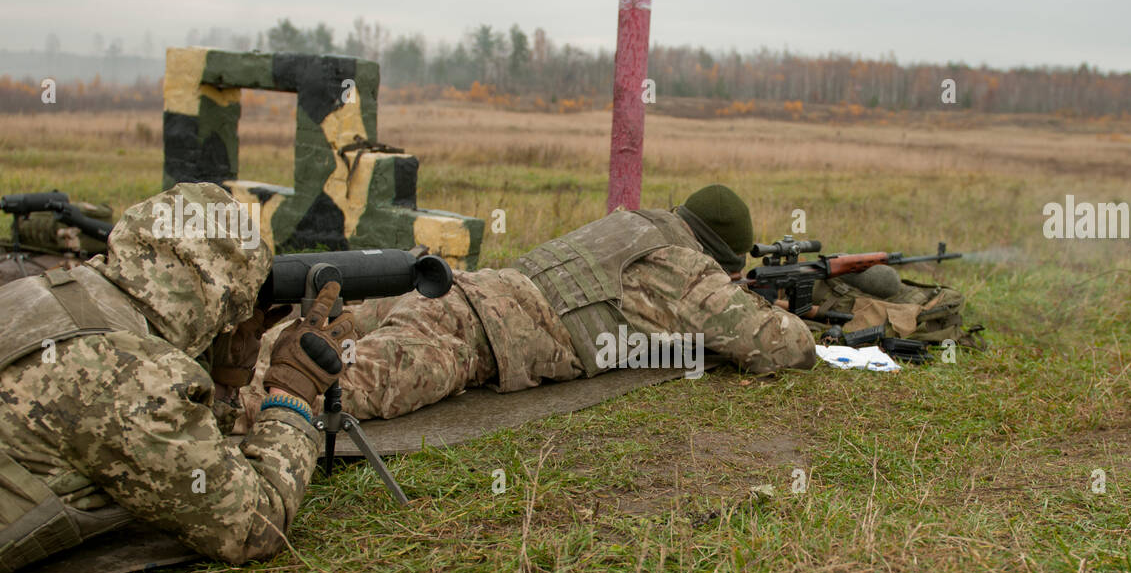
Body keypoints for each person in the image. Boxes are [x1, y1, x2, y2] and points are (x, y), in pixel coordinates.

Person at [234, 183, 818, 428]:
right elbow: (784, 347)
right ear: (719, 256)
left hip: (452, 288)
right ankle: (198, 409)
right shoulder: (689, 272)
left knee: (298, 335)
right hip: (472, 335)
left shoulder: (635, 223)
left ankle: (210, 371)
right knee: (314, 386)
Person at [0, 183, 355, 573]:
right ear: (219, 299)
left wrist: (222, 365)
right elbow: (254, 526)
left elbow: (180, 449)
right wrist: (294, 388)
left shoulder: (41, 293)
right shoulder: (135, 377)